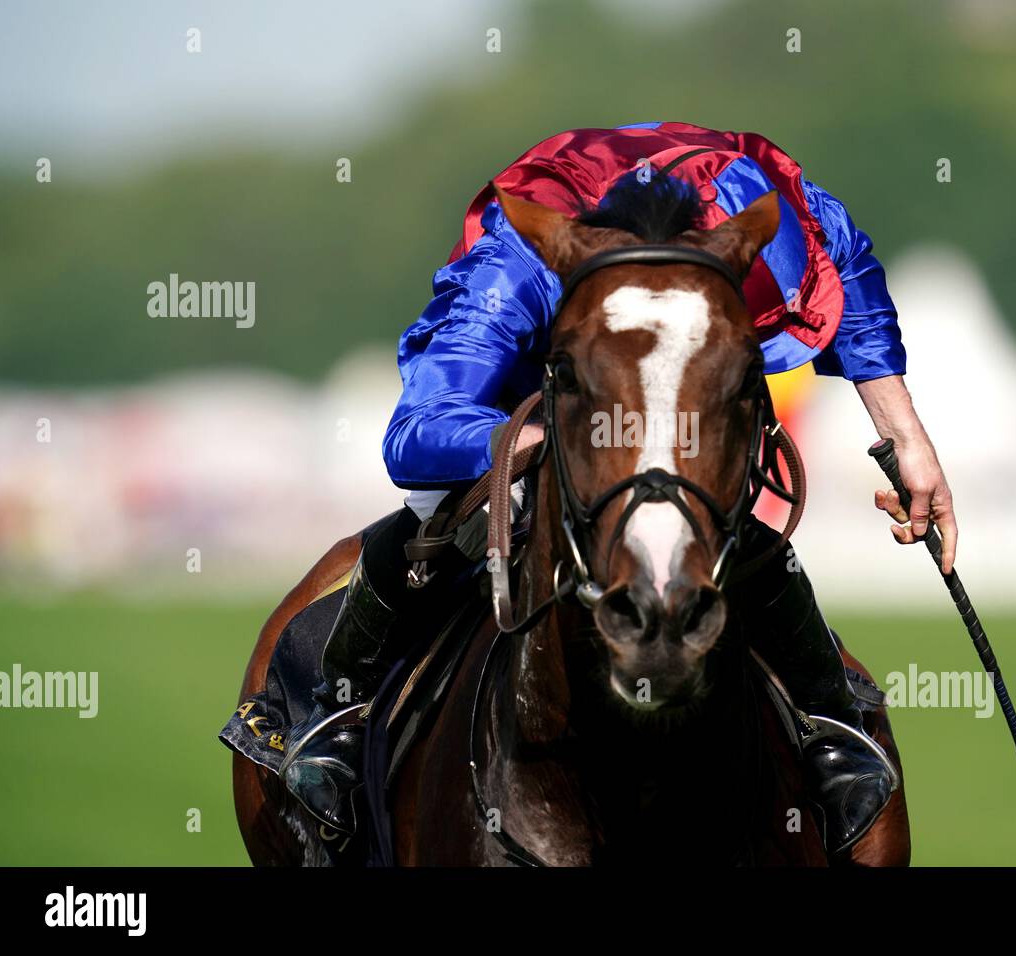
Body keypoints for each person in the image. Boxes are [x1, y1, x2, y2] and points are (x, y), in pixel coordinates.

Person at [280, 122, 958, 856]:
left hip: (679, 403)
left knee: (735, 535)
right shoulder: (514, 266)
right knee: (429, 521)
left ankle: (829, 728)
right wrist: (541, 441)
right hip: (541, 411)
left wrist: (906, 436)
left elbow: (847, 268)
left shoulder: (781, 224)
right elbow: (416, 433)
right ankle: (334, 720)